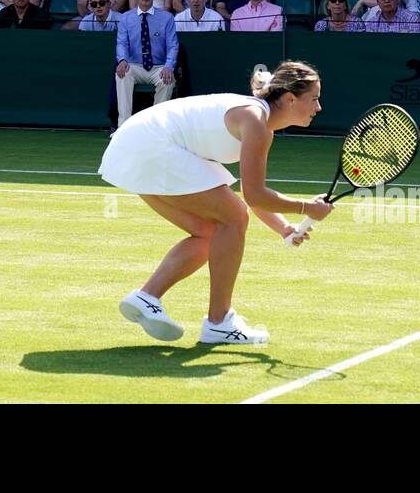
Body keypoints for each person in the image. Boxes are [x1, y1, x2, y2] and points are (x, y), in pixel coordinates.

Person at [99, 61, 333, 344]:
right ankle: (219, 322)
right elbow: (255, 196)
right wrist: (307, 208)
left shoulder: (260, 125)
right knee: (234, 217)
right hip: (149, 144)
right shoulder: (255, 122)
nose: (318, 108)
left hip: (134, 145)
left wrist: (284, 228)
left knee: (212, 232)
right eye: (314, 99)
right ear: (290, 98)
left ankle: (146, 298)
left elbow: (251, 190)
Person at [114, 0, 179, 127]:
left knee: (167, 80)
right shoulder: (125, 18)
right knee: (122, 75)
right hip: (134, 65)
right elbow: (122, 42)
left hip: (158, 66)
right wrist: (122, 60)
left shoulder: (167, 18)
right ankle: (123, 127)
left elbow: (173, 45)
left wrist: (169, 66)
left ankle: (156, 126)